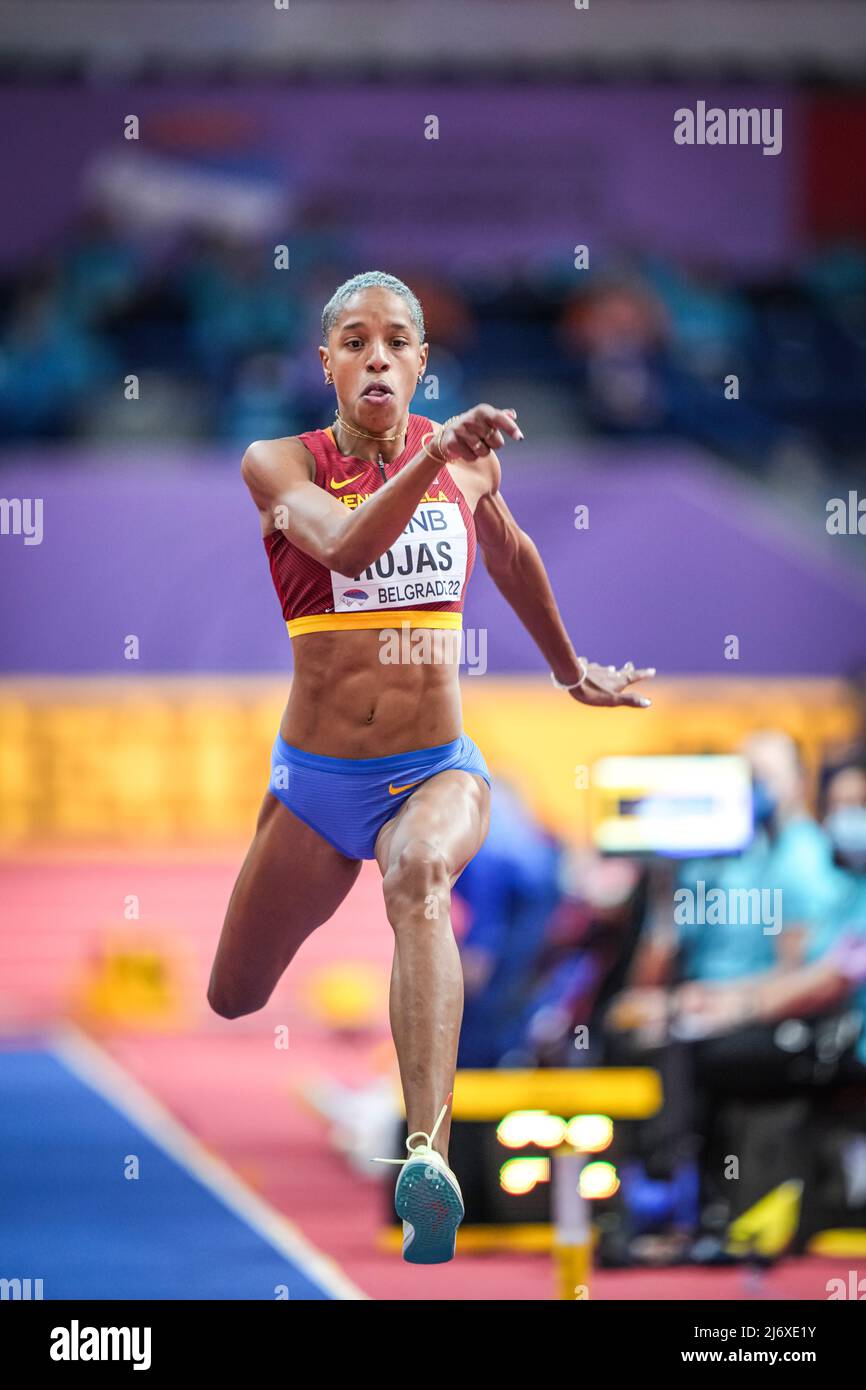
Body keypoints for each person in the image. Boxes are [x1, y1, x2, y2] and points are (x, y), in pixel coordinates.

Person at [207, 270, 656, 1263]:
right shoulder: (278, 464)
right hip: (318, 783)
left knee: (418, 881)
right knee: (233, 994)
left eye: (396, 341)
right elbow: (348, 549)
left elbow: (512, 556)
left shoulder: (465, 464)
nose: (376, 356)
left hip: (435, 768)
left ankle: (427, 1156)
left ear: (420, 359)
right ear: (326, 363)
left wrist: (569, 670)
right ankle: (418, 1143)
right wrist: (432, 458)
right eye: (354, 341)